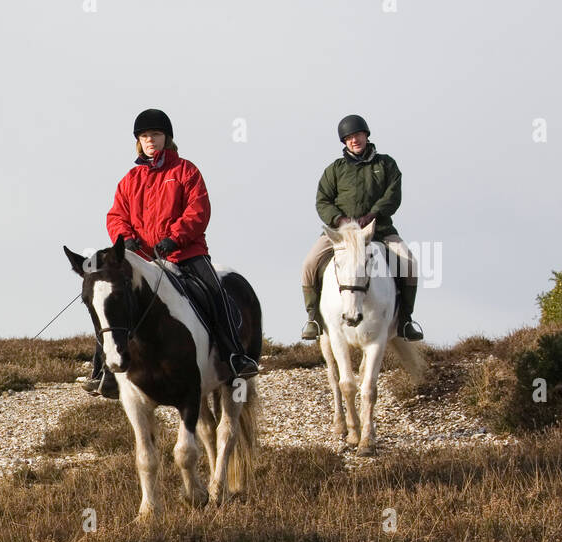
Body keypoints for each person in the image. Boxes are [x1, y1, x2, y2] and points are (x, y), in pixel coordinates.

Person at [89, 108, 259, 397]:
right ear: (138, 142)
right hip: (144, 259)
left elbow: (198, 210)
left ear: (167, 137)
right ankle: (103, 372)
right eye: (144, 136)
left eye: (155, 134)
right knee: (112, 298)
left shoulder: (186, 171)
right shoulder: (130, 180)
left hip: (185, 254)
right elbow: (116, 215)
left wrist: (173, 239)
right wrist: (126, 239)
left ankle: (234, 356)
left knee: (215, 291)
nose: (150, 140)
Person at [300, 114, 423, 342]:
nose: (353, 140)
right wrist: (339, 220)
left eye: (356, 135)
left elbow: (393, 195)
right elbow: (322, 200)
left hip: (380, 229)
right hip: (341, 234)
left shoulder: (386, 164)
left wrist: (373, 214)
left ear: (366, 135)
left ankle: (406, 320)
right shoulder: (334, 170)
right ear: (344, 143)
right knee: (309, 264)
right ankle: (313, 318)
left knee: (409, 263)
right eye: (348, 138)